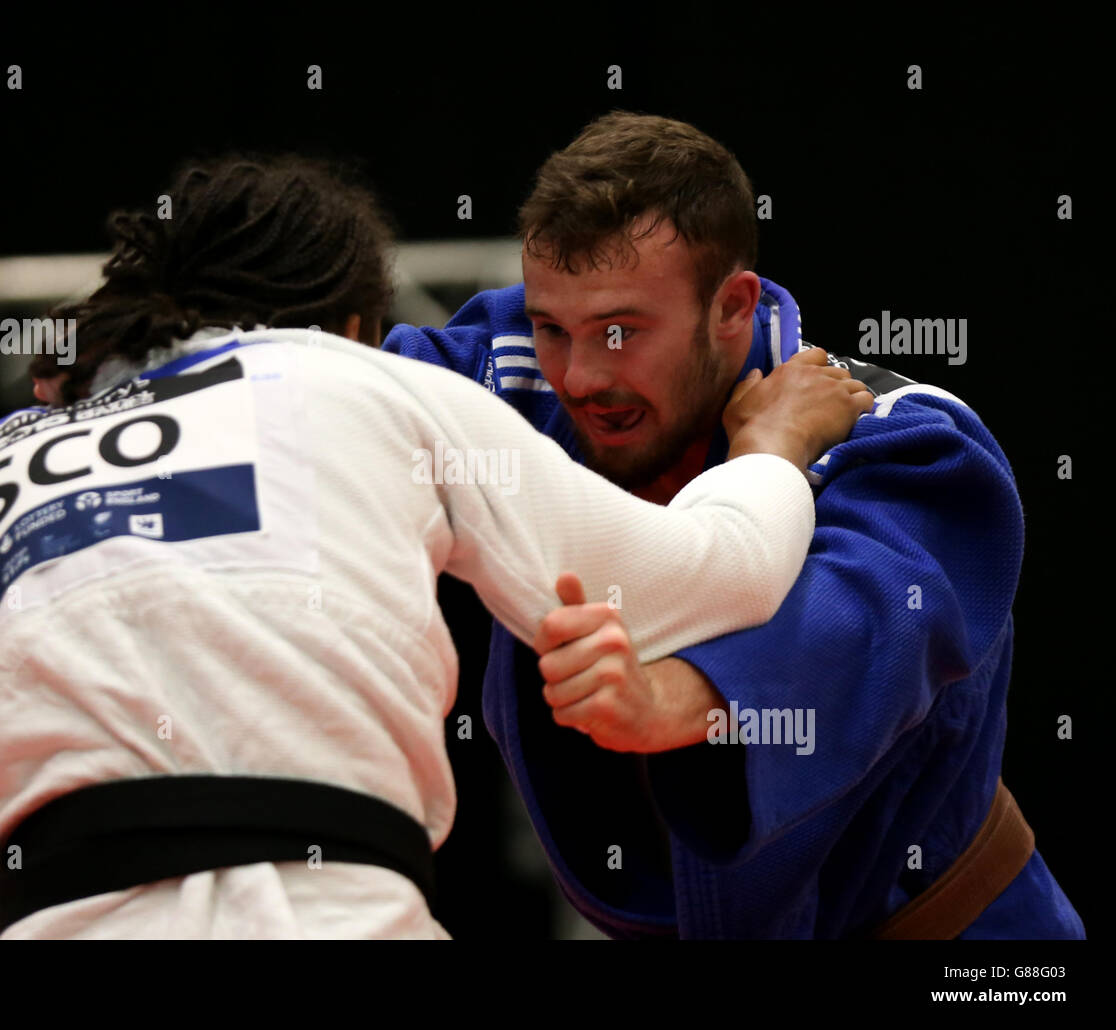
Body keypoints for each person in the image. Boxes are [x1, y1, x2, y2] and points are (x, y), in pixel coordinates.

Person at [0, 153, 872, 939]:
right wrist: (773, 442)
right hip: (330, 909)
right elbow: (712, 578)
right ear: (351, 323)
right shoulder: (355, 380)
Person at [383, 112, 1086, 939]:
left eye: (622, 332)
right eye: (551, 327)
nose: (580, 373)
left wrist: (672, 701)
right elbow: (321, 397)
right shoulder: (518, 370)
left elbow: (865, 628)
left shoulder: (906, 438)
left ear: (733, 306)